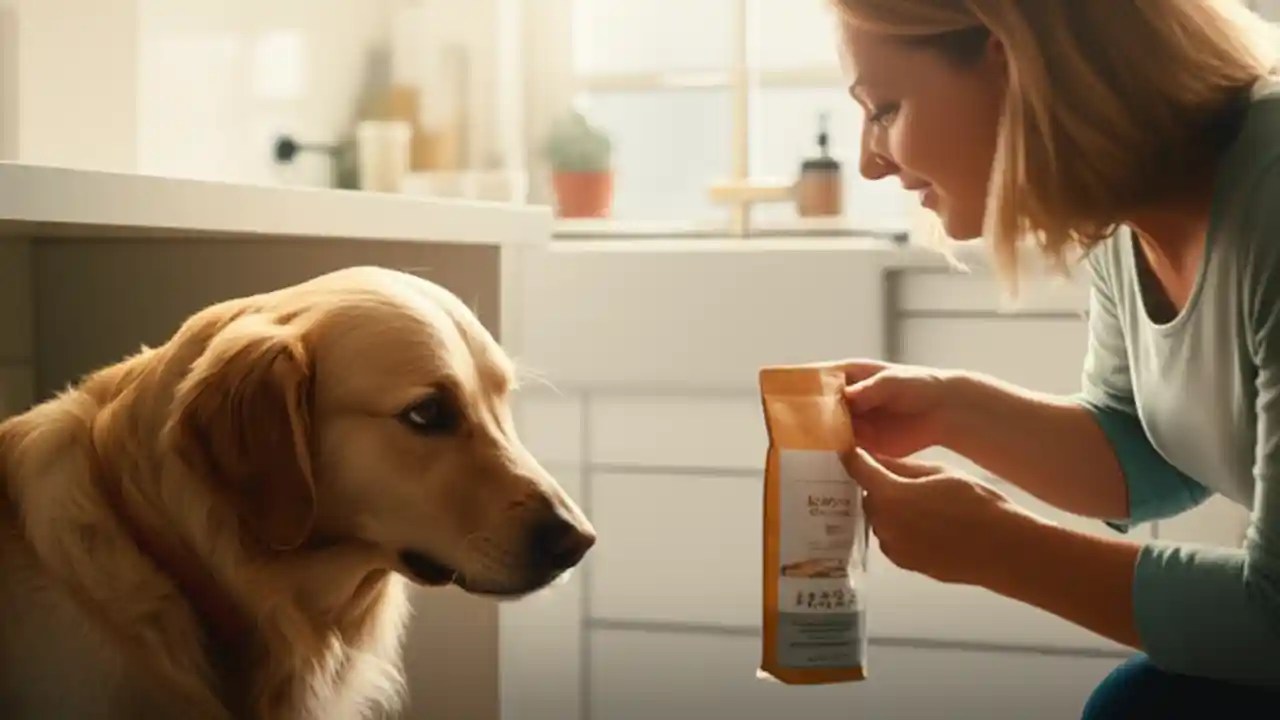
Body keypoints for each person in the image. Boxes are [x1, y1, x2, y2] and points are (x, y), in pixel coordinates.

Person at [829, 0, 1280, 716]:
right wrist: (950, 408)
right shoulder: (1126, 205)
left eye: (884, 108)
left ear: (1011, 63)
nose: (869, 161)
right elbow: (1148, 452)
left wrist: (999, 547)